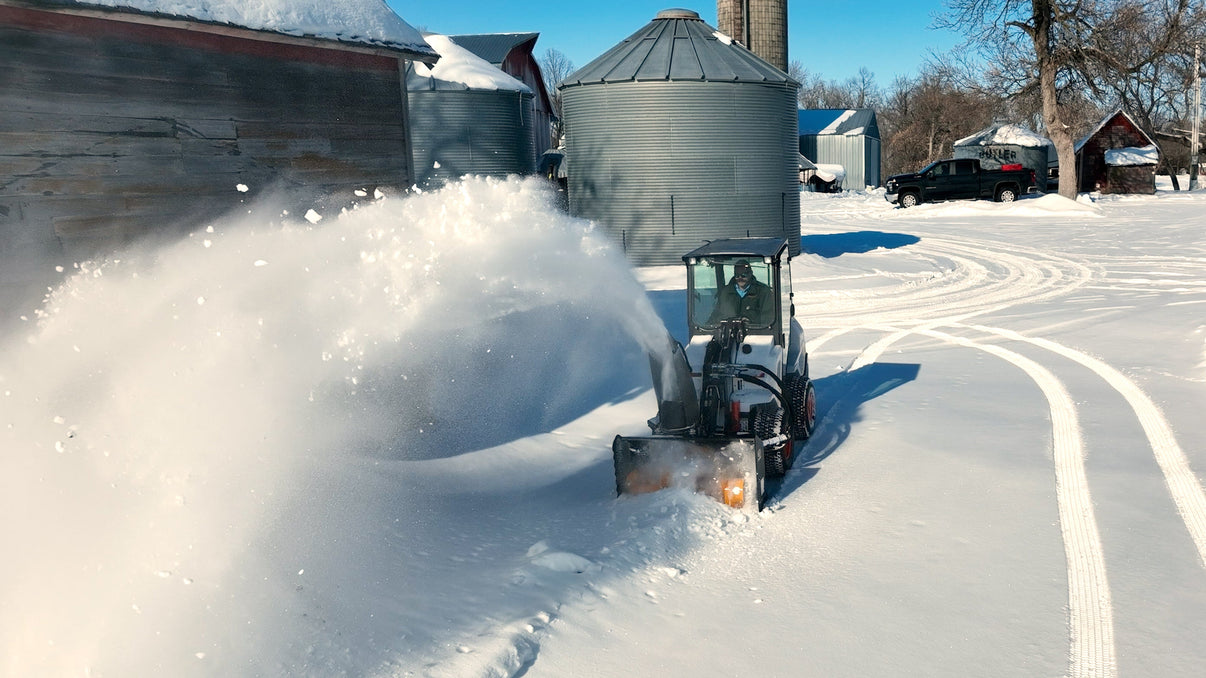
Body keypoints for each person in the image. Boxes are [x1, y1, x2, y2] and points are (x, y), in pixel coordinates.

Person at [708, 260, 773, 326]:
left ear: (750, 273)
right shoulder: (726, 292)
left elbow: (768, 318)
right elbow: (716, 315)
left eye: (743, 275)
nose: (740, 278)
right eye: (737, 275)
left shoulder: (763, 291)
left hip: (754, 331)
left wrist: (751, 322)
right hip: (728, 330)